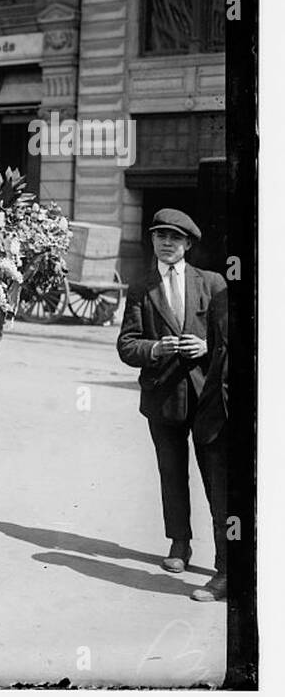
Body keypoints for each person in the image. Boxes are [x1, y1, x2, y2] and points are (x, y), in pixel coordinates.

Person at [117, 209, 229, 602]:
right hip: (162, 397)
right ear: (152, 241)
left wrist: (206, 348)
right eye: (160, 236)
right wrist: (154, 348)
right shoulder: (141, 286)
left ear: (188, 245)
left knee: (219, 482)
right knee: (171, 473)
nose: (166, 243)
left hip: (207, 397)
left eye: (174, 238)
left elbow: (229, 341)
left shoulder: (212, 283)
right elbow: (127, 345)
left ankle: (226, 565)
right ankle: (179, 545)